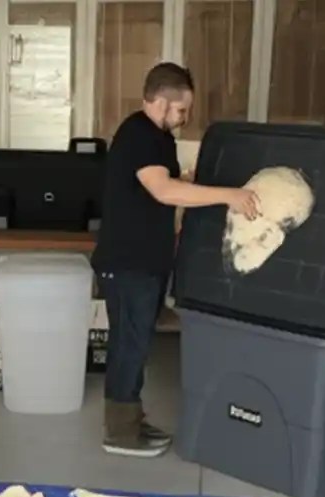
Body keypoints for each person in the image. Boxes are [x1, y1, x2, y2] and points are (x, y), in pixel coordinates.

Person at [92, 62, 259, 458]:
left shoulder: (155, 137)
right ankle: (119, 434)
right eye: (182, 110)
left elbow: (161, 186)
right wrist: (229, 195)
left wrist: (187, 182)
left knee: (135, 343)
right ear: (163, 102)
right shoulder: (140, 136)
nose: (186, 118)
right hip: (127, 261)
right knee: (129, 346)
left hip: (142, 260)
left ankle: (131, 420)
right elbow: (163, 191)